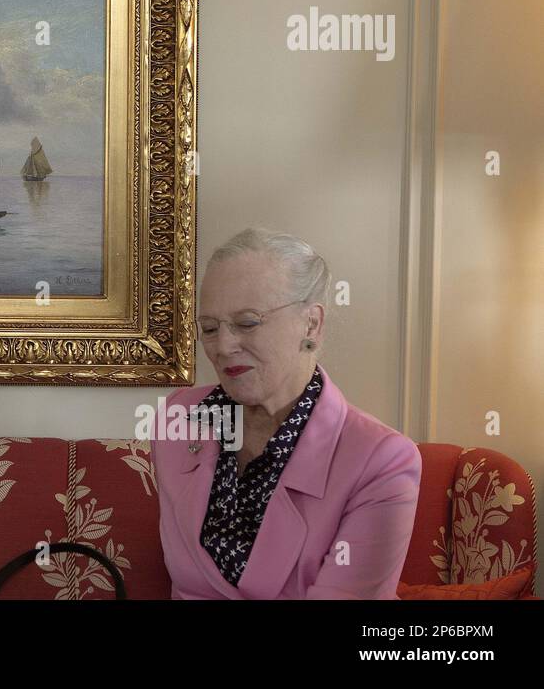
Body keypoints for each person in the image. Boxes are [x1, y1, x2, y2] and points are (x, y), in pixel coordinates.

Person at [151, 227, 420, 598]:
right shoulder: (178, 418)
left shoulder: (381, 460)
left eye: (247, 322)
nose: (223, 346)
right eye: (209, 328)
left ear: (311, 324)